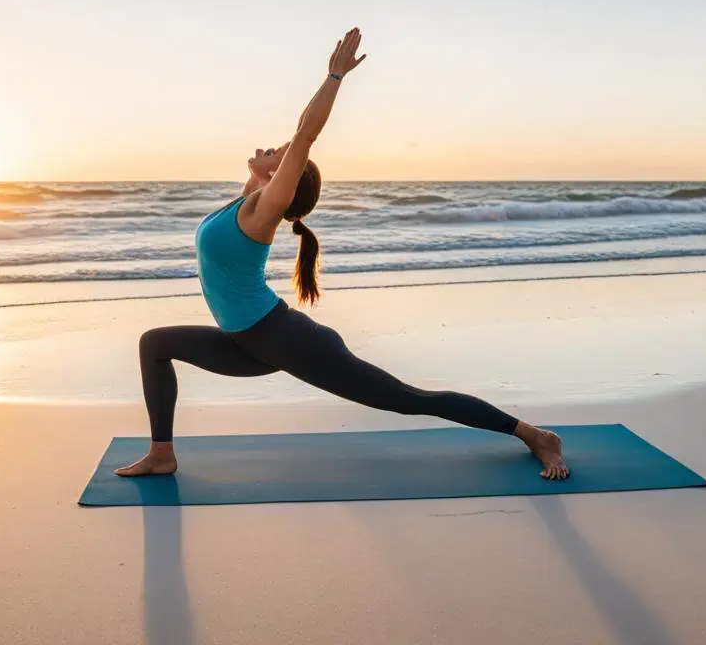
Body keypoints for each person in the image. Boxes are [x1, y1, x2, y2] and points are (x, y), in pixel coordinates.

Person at [116, 27, 569, 480]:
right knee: (155, 344)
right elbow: (285, 149)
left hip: (287, 340)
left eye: (281, 154)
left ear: (283, 180)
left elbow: (305, 133)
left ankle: (534, 435)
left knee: (409, 399)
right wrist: (261, 169)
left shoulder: (262, 210)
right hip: (247, 340)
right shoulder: (245, 200)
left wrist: (334, 77)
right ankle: (162, 454)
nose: (275, 148)